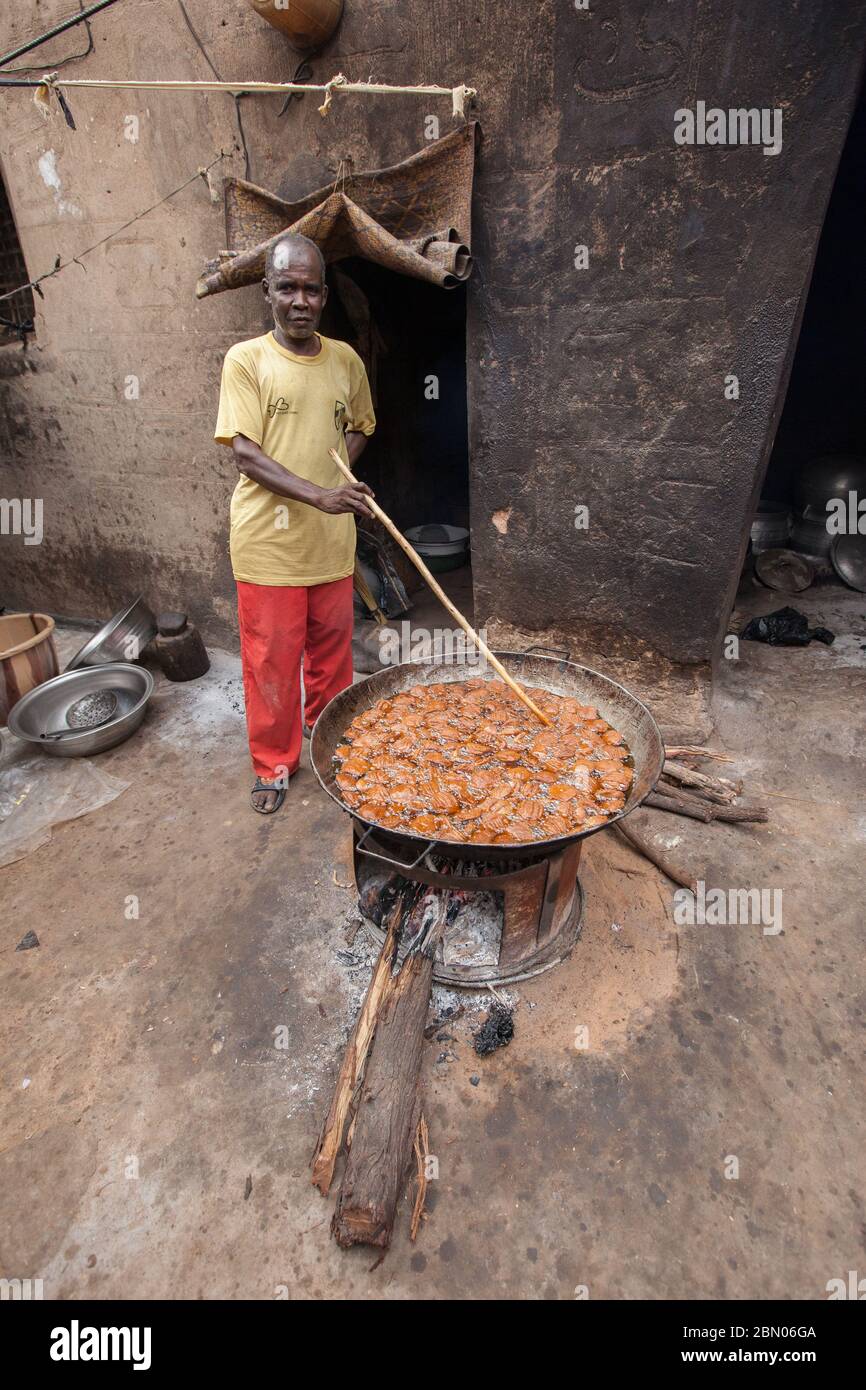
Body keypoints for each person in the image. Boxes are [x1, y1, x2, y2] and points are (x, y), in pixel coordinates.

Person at [214, 233, 376, 813]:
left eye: (311, 289)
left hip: (330, 544)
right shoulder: (247, 360)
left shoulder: (345, 361)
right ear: (268, 292)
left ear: (325, 296)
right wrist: (321, 495)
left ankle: (326, 738)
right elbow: (246, 455)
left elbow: (361, 425)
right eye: (287, 288)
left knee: (333, 656)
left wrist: (340, 479)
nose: (299, 300)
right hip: (268, 545)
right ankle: (273, 765)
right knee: (271, 663)